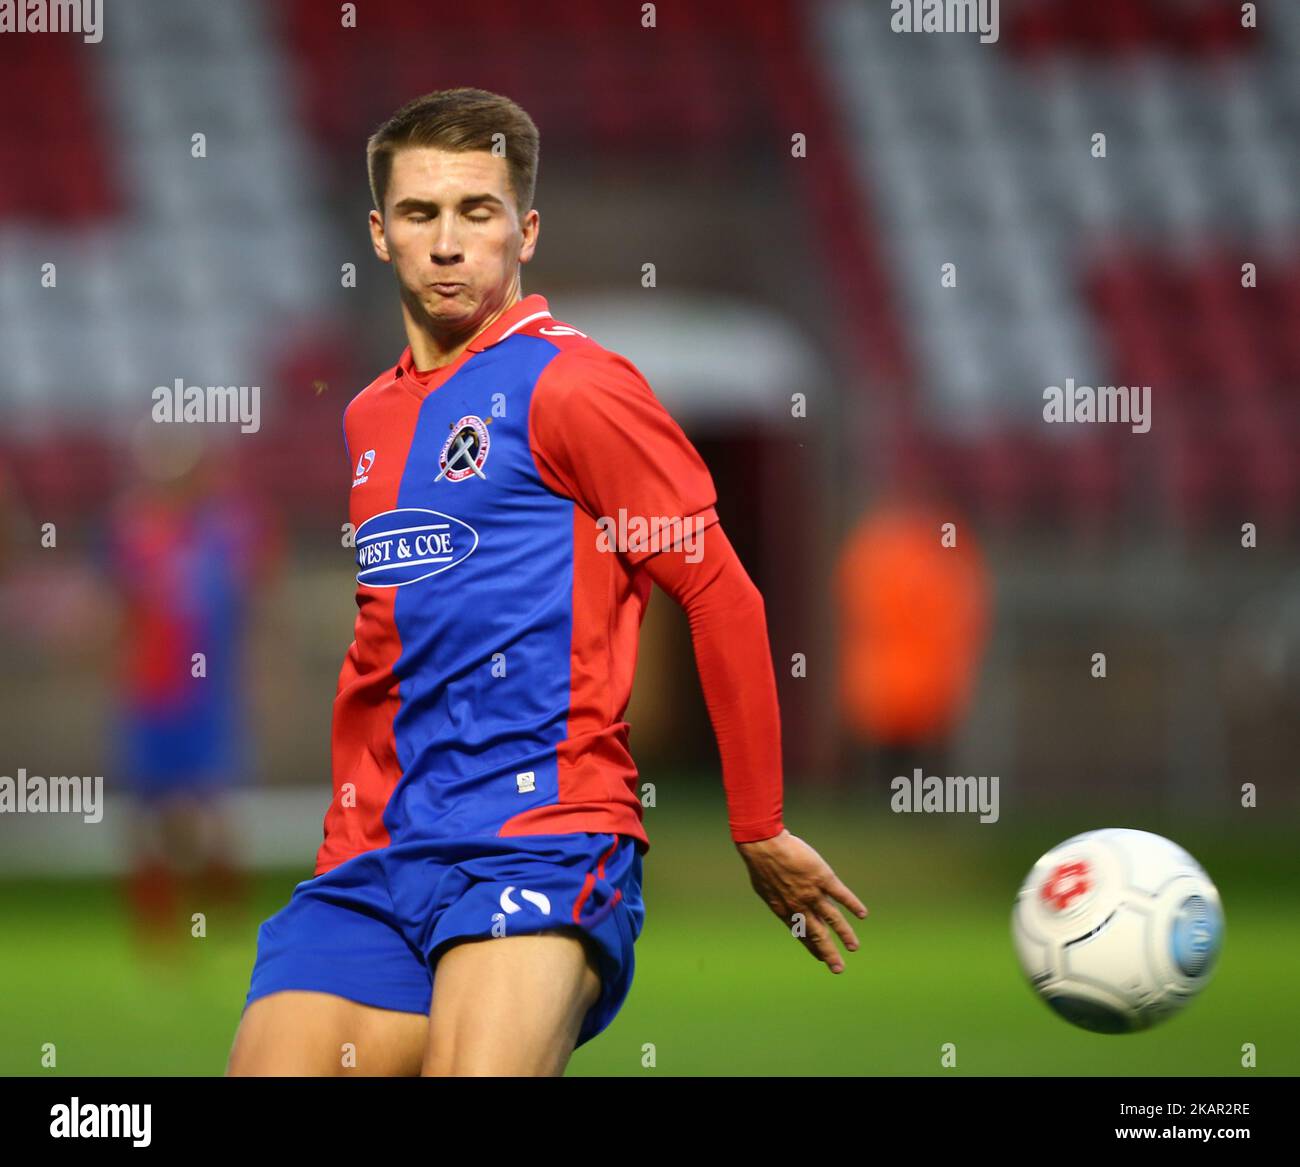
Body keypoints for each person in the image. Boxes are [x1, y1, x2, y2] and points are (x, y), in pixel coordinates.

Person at [228, 87, 865, 1078]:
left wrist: (759, 826)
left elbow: (719, 591)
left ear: (523, 230)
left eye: (475, 213)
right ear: (379, 232)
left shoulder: (578, 387)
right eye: (419, 214)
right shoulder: (366, 421)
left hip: (539, 837)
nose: (447, 244)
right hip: (373, 856)